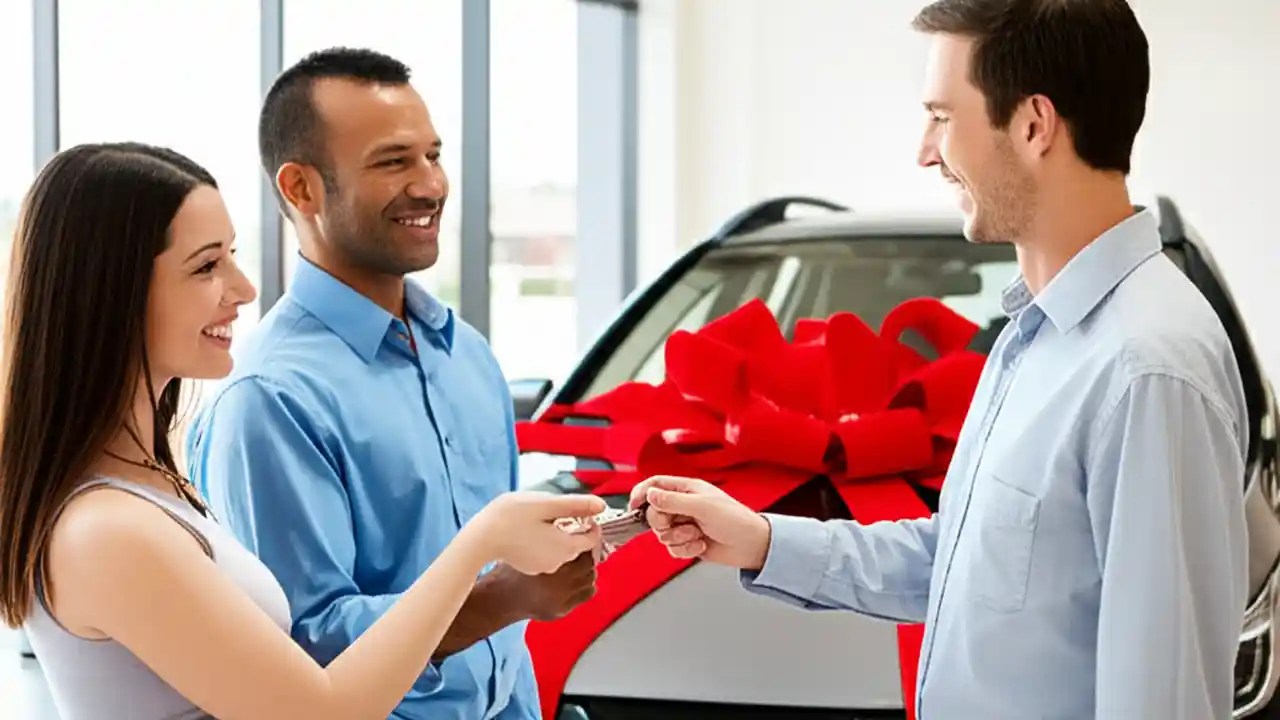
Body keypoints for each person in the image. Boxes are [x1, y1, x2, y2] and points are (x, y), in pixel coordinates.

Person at [629, 1, 1249, 718]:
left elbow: (1159, 699)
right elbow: (961, 560)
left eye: (943, 116)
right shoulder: (1034, 339)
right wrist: (762, 539)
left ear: (1033, 125)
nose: (926, 150)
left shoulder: (1148, 370)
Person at [0, 142, 607, 720]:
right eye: (207, 265)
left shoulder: (149, 485)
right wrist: (483, 543)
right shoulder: (106, 532)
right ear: (114, 292)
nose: (243, 289)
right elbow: (324, 711)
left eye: (233, 254)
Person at [184, 48, 595, 720]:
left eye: (433, 155)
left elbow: (503, 649)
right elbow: (305, 653)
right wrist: (510, 597)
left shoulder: (468, 357)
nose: (430, 184)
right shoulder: (268, 399)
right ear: (300, 189)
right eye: (393, 162)